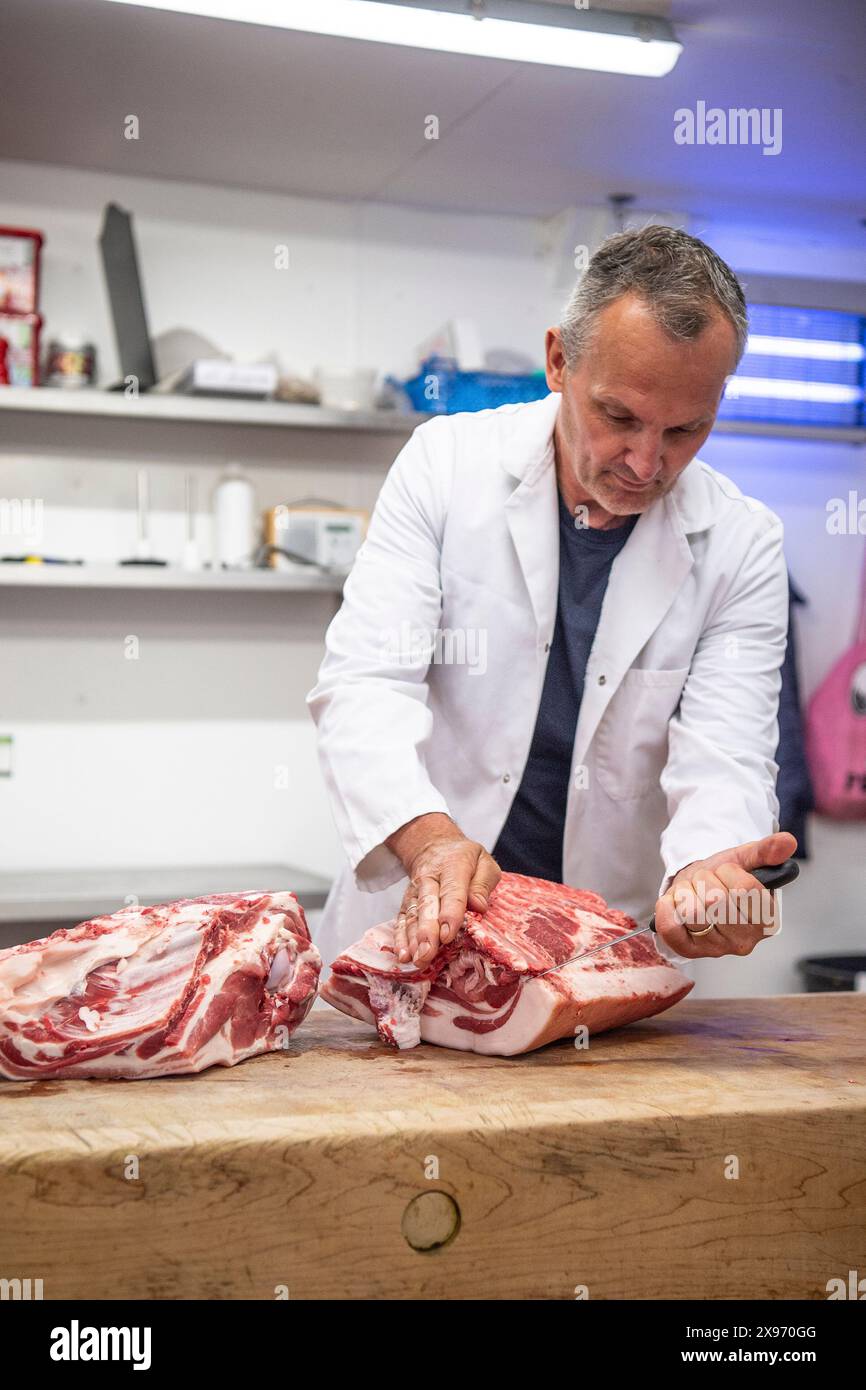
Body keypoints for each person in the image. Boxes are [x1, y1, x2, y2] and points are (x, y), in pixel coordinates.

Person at [307, 225, 795, 971]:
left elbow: (725, 757)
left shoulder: (742, 543)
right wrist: (431, 839)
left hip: (599, 953)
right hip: (422, 924)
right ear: (559, 361)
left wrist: (708, 875)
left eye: (687, 428)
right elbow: (365, 685)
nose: (645, 461)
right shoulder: (445, 467)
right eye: (620, 417)